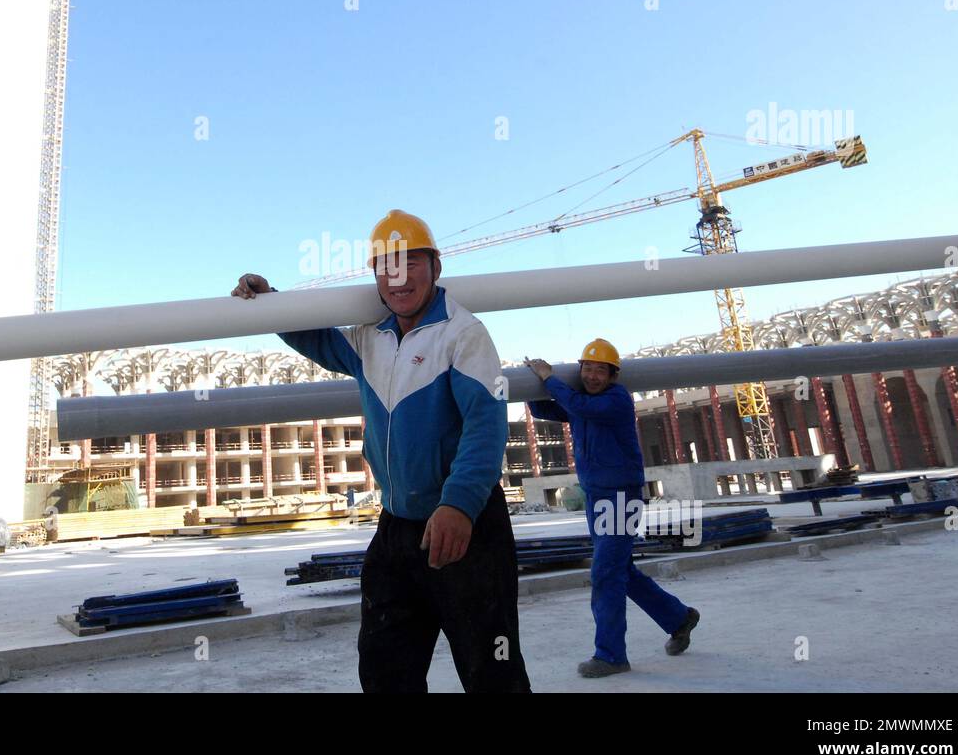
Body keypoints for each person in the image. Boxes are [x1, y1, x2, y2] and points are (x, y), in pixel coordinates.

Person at [232, 209, 530, 692]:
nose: (399, 277)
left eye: (411, 262)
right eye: (386, 266)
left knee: (492, 672)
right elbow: (316, 338)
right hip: (397, 529)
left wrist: (459, 504)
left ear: (436, 267)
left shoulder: (463, 333)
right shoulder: (370, 337)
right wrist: (272, 303)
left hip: (466, 527)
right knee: (385, 670)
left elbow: (485, 423)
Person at [524, 341, 700, 677]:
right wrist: (531, 381)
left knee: (606, 573)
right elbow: (543, 410)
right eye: (587, 369)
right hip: (596, 495)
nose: (591, 376)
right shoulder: (583, 403)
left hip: (620, 496)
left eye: (599, 370)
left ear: (612, 375)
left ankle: (610, 655)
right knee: (621, 570)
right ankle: (679, 618)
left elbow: (575, 404)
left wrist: (549, 378)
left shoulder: (615, 400)